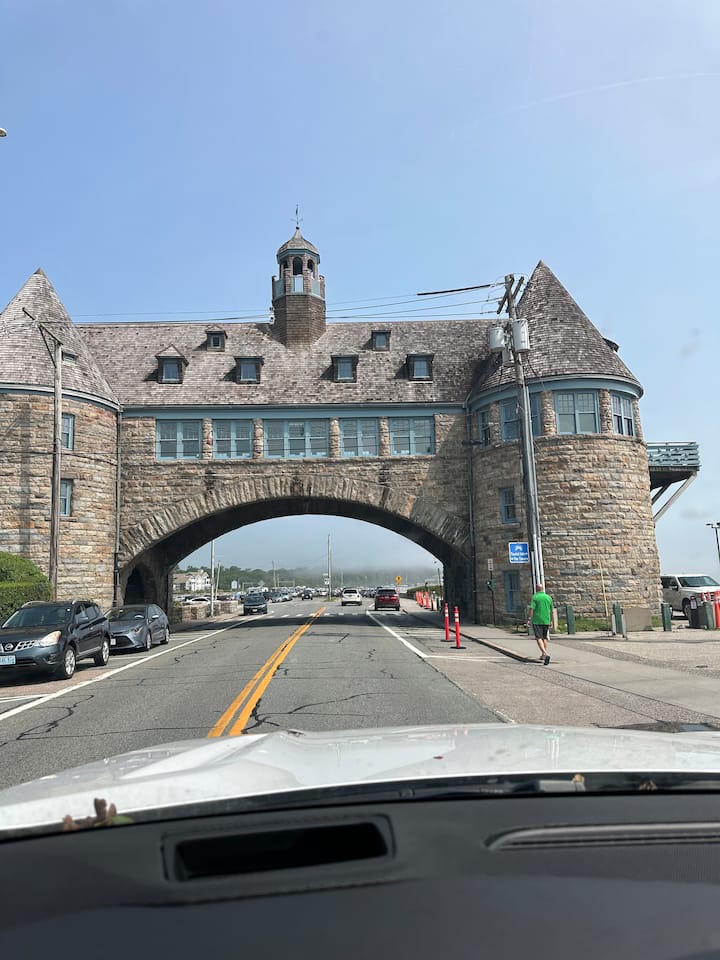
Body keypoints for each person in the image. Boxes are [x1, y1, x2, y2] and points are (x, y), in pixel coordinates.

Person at [528, 583, 553, 665]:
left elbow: (532, 608)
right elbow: (551, 610)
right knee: (544, 637)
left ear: (536, 588)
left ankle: (545, 653)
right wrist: (551, 620)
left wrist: (529, 619)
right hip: (546, 620)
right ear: (542, 589)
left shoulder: (535, 597)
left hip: (537, 620)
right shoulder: (548, 597)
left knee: (538, 637)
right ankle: (543, 655)